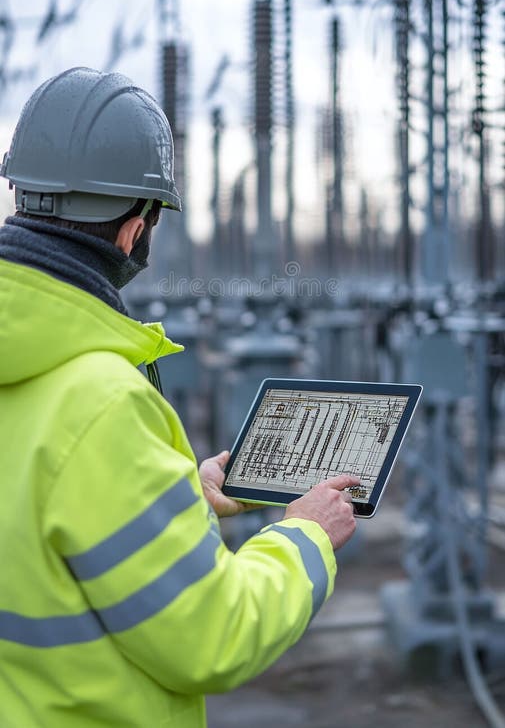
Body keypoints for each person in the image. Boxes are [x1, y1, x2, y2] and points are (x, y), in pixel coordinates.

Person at [0, 67, 360, 727]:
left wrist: (183, 499)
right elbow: (211, 637)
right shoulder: (101, 400)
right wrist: (304, 536)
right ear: (137, 226)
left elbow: (36, 527)